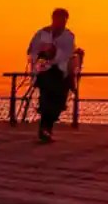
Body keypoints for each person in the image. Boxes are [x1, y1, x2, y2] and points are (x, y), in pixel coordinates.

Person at [26, 8, 77, 143]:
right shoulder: (42, 33)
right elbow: (31, 50)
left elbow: (67, 54)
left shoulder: (68, 36)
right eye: (58, 19)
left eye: (63, 20)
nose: (60, 22)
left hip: (60, 72)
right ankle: (44, 129)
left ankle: (47, 128)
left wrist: (55, 54)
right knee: (46, 99)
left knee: (59, 101)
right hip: (44, 70)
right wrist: (41, 56)